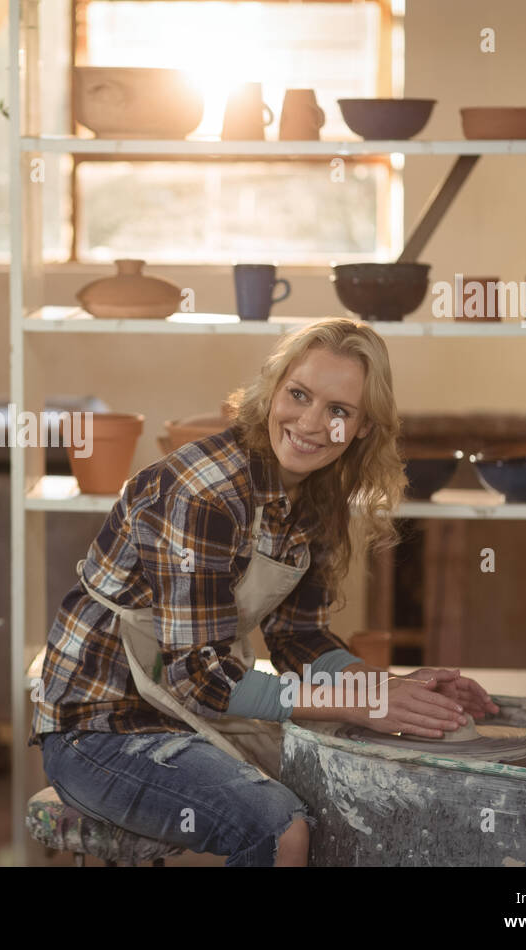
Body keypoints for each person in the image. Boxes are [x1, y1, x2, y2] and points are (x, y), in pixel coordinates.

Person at [30, 317, 499, 867]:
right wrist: (365, 702)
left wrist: (391, 689)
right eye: (298, 395)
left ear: (364, 428)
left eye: (339, 411)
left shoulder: (318, 494)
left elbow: (299, 637)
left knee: (362, 790)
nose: (311, 423)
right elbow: (199, 676)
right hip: (101, 728)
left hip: (191, 711)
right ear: (271, 390)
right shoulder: (203, 491)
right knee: (280, 829)